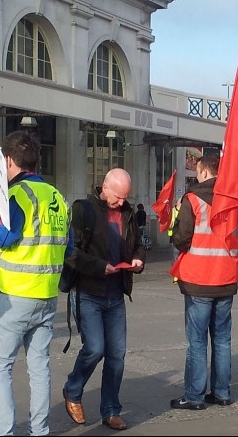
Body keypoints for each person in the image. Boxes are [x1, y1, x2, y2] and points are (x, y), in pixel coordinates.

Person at [0, 130, 70, 436]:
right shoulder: (57, 197)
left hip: (17, 295)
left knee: (0, 366)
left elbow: (7, 235)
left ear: (9, 161)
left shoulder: (18, 195)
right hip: (47, 295)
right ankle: (40, 431)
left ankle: (4, 432)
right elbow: (68, 246)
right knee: (39, 367)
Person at [62, 168, 145, 431]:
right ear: (105, 187)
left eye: (126, 197)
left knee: (117, 355)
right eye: (118, 197)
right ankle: (72, 389)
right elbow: (70, 252)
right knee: (95, 349)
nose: (121, 202)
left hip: (116, 293)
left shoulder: (128, 213)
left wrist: (138, 259)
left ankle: (111, 410)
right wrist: (99, 267)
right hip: (88, 292)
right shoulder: (83, 209)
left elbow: (138, 244)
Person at [169, 154, 238, 410]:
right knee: (222, 339)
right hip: (226, 278)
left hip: (199, 279)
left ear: (204, 172)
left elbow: (181, 238)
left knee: (197, 341)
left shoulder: (192, 200)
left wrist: (174, 225)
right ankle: (221, 393)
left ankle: (194, 396)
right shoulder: (236, 202)